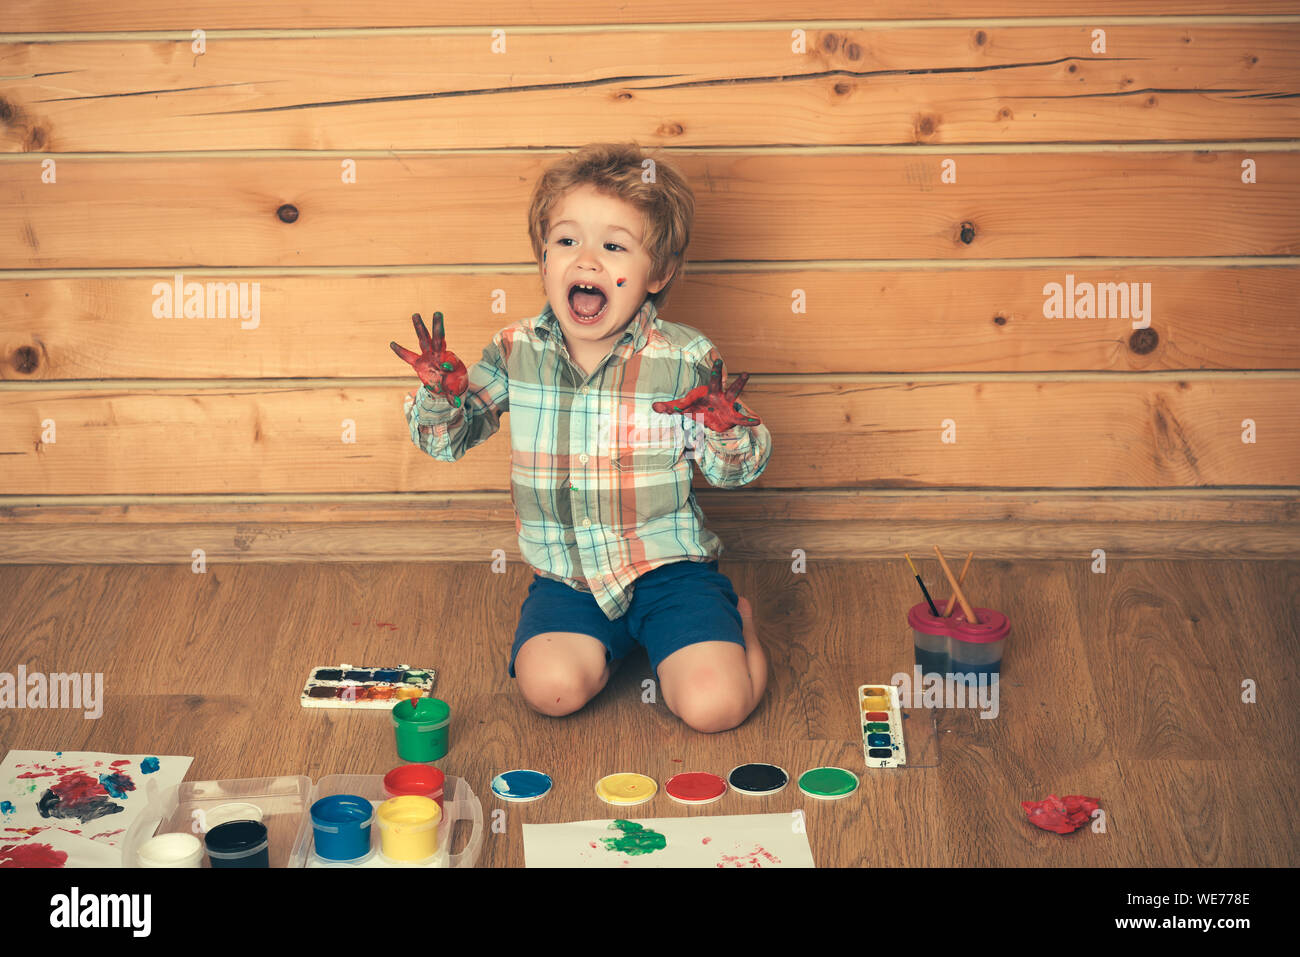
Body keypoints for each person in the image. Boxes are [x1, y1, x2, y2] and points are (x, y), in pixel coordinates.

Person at [393, 142, 772, 732]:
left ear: (659, 272)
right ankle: (616, 646)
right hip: (569, 578)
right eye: (567, 241)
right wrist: (442, 396)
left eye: (614, 245)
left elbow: (736, 470)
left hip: (670, 572)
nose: (586, 261)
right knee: (550, 690)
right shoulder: (517, 349)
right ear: (544, 261)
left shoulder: (687, 358)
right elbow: (449, 439)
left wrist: (724, 432)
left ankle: (732, 624)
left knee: (713, 708)